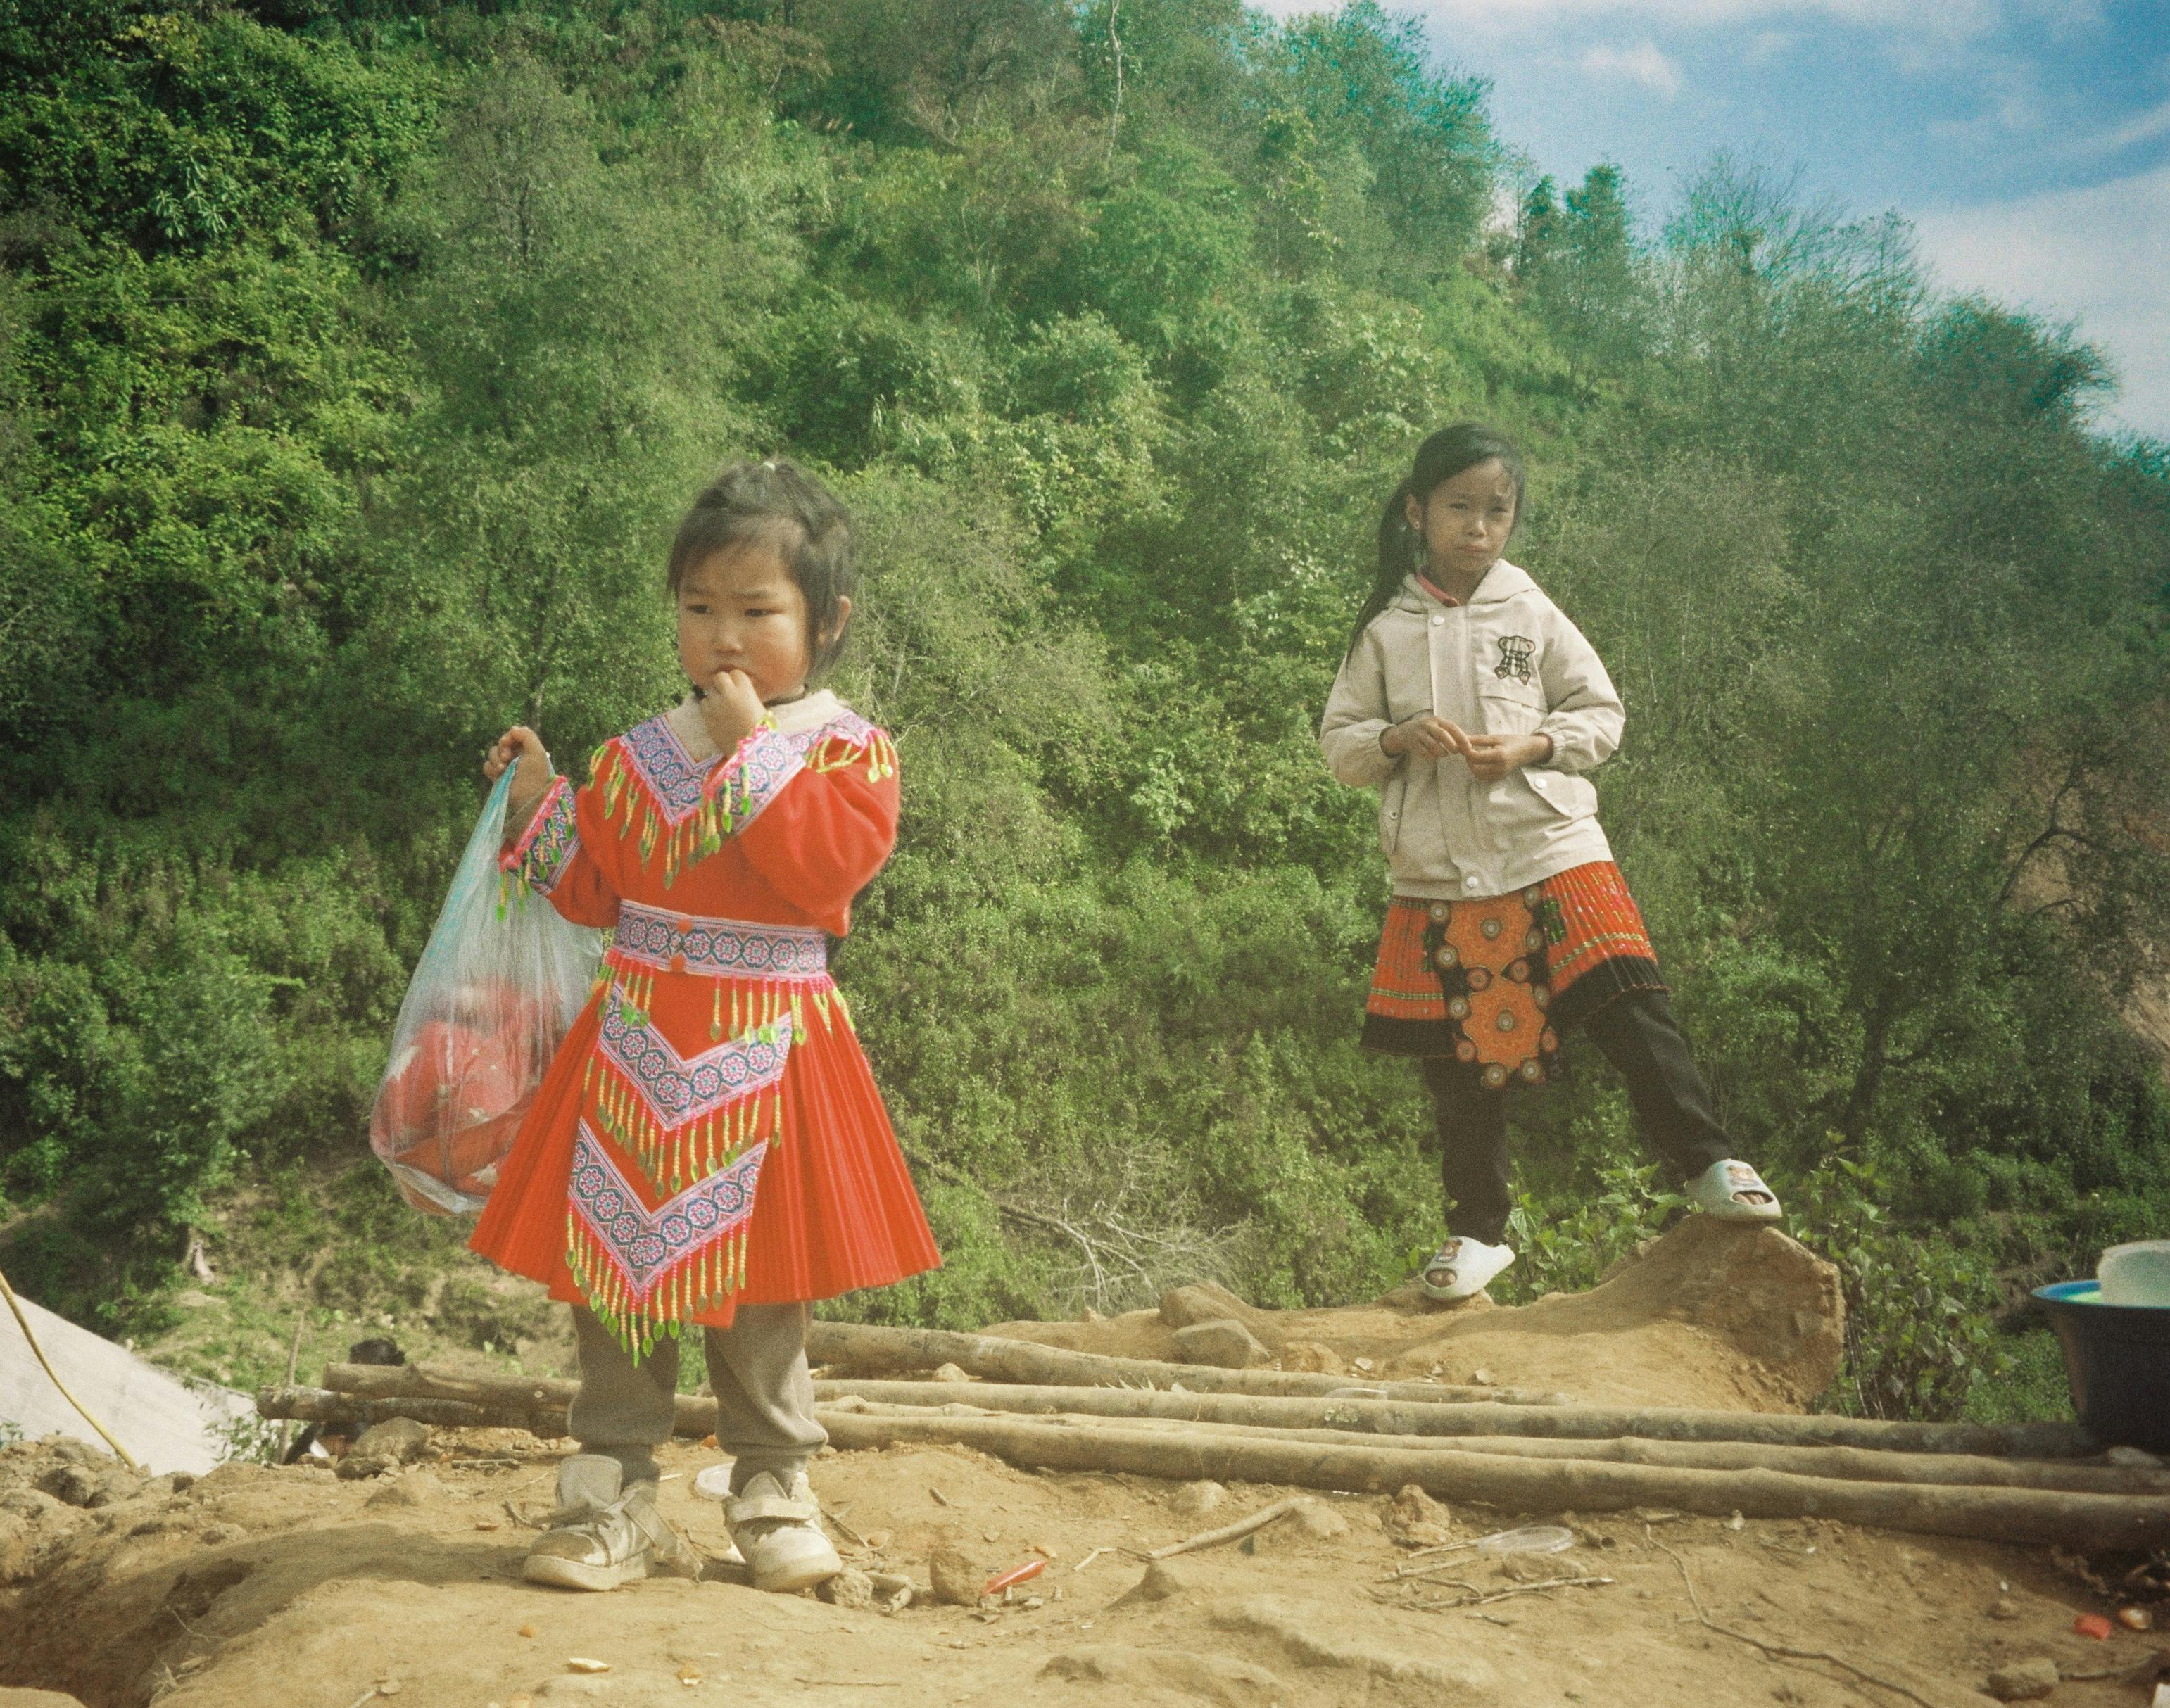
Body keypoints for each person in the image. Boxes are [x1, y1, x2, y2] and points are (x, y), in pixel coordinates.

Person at [470, 458, 939, 1593]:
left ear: (826, 621)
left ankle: (772, 1487)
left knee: (765, 1283)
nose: (724, 637)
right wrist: (538, 801)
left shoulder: (846, 752)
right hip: (632, 1038)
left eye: (756, 611)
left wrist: (750, 751)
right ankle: (609, 1496)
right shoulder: (637, 755)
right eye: (699, 607)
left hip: (770, 1042)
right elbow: (599, 889)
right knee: (613, 1272)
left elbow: (826, 869)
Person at [1320, 423, 1779, 1304]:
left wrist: (1530, 745)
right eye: (1458, 507)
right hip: (1438, 868)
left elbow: (1600, 715)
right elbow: (1340, 746)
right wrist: (1395, 737)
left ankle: (1709, 1165)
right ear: (1417, 512)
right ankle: (1477, 1232)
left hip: (1550, 843)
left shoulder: (1531, 612)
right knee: (1462, 1057)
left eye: (1496, 511)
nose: (1477, 528)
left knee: (1628, 1002)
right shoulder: (1383, 631)